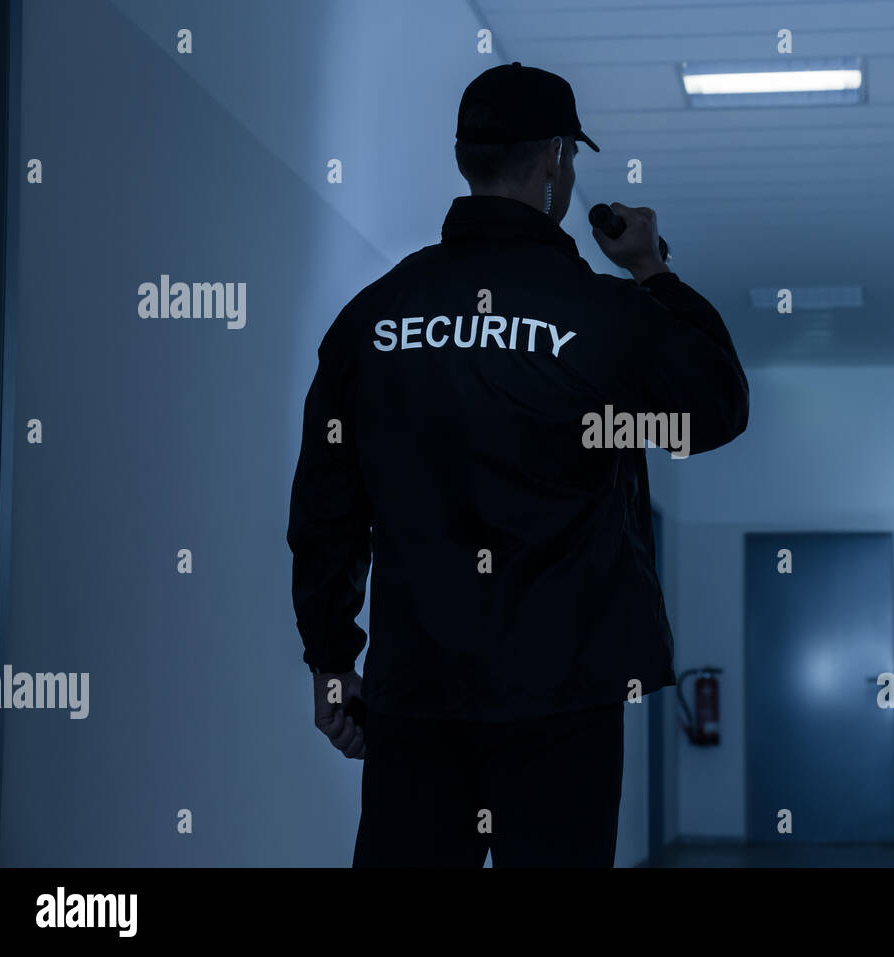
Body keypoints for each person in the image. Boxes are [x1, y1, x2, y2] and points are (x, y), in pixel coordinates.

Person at [286, 61, 749, 867]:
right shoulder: (605, 316)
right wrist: (651, 270)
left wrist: (332, 661)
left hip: (417, 696)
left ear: (467, 159)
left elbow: (326, 508)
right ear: (555, 162)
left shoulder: (372, 319)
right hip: (564, 702)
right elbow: (716, 407)